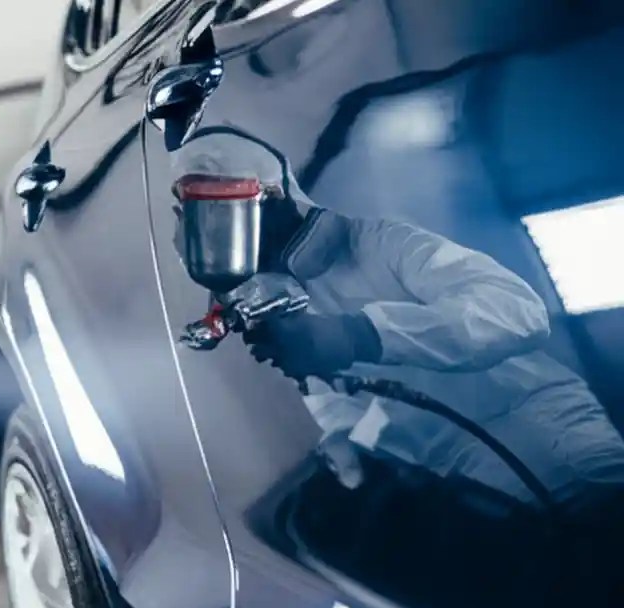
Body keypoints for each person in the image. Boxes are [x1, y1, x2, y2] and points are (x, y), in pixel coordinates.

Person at [169, 127, 624, 506]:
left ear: (271, 196)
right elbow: (331, 397)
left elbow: (517, 311)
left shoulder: (387, 244)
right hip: (455, 469)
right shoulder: (276, 296)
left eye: (223, 216)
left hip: (544, 426)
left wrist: (361, 334)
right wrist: (347, 438)